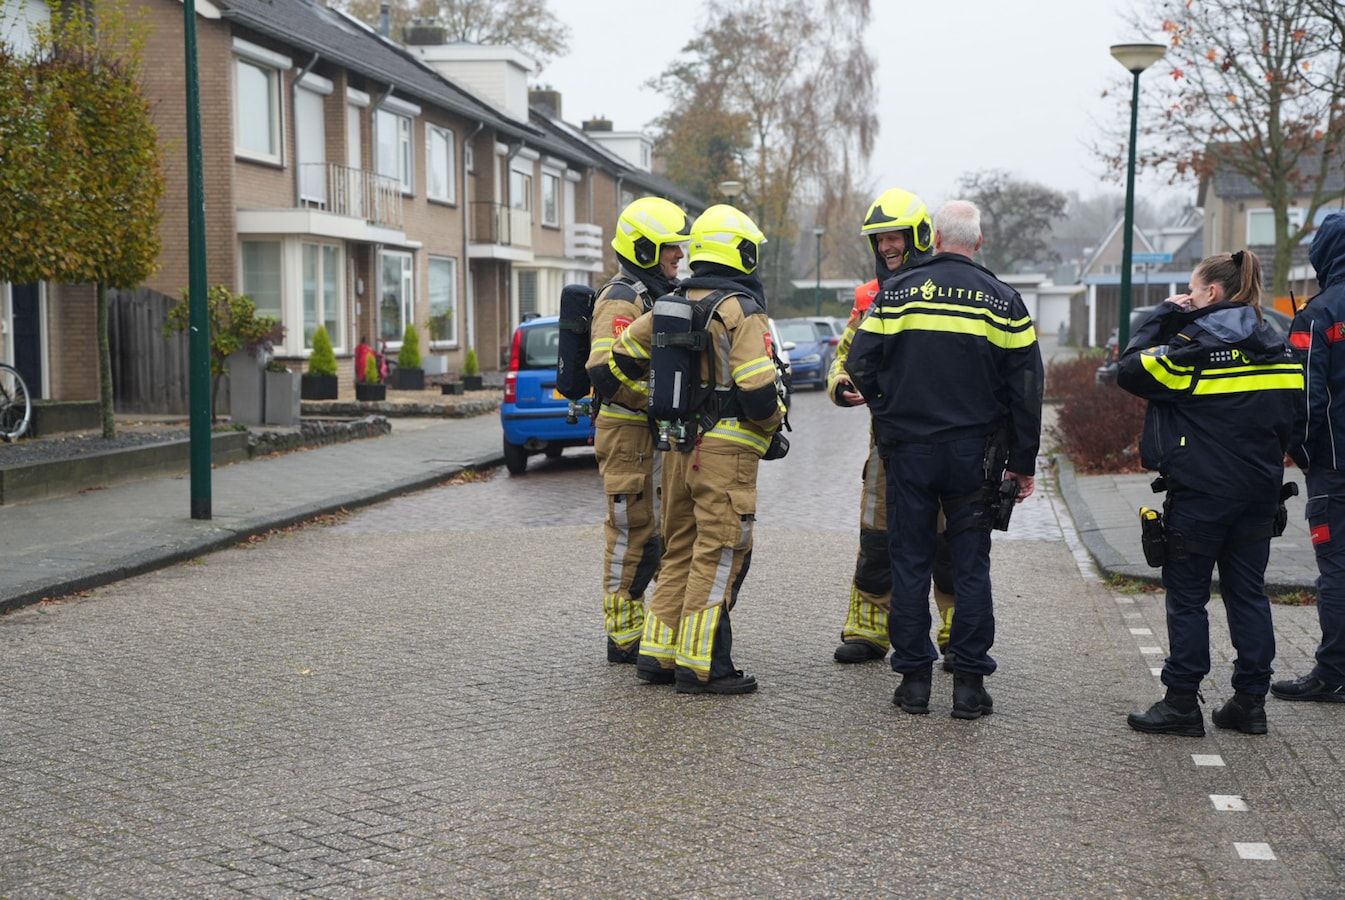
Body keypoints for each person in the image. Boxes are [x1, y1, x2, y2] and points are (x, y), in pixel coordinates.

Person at [846, 200, 1042, 719]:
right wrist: (1023, 461)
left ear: (931, 239)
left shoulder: (896, 295)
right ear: (978, 243)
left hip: (907, 453)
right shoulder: (1004, 301)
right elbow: (1027, 387)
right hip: (975, 456)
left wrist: (890, 417)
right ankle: (970, 688)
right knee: (970, 565)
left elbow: (858, 363)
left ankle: (913, 684)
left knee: (909, 561)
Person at [1118, 249, 1302, 736]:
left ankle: (1181, 703)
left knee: (1188, 597)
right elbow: (1293, 418)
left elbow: (1130, 369)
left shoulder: (1194, 347)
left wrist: (1166, 313)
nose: (1189, 297)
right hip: (1260, 494)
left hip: (1201, 495)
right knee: (1248, 596)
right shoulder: (1278, 345)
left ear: (1212, 294)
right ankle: (1249, 703)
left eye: (1194, 290)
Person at [608, 204, 786, 694]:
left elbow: (615, 362)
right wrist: (774, 427)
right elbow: (756, 391)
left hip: (678, 446)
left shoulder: (672, 301)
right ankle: (703, 664)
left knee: (680, 550)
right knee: (721, 548)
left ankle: (657, 656)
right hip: (725, 453)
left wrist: (650, 401)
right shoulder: (741, 309)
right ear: (739, 251)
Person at [825, 188, 958, 667]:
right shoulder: (869, 299)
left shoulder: (948, 291)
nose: (886, 248)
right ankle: (867, 630)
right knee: (876, 538)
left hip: (946, 443)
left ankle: (955, 633)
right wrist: (841, 385)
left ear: (920, 237)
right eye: (879, 240)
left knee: (947, 542)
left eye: (894, 237)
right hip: (886, 445)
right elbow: (843, 357)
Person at [584, 196, 691, 664]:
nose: (679, 257)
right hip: (627, 434)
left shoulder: (651, 294)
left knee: (654, 532)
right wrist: (658, 400)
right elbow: (603, 368)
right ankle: (623, 634)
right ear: (644, 248)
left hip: (646, 433)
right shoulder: (622, 296)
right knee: (632, 533)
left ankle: (638, 623)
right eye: (671, 248)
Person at [1278, 212, 1345, 705]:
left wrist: (1306, 457)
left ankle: (1334, 673)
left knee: (1339, 568)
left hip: (1337, 468)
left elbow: (1304, 399)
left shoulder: (1319, 314)